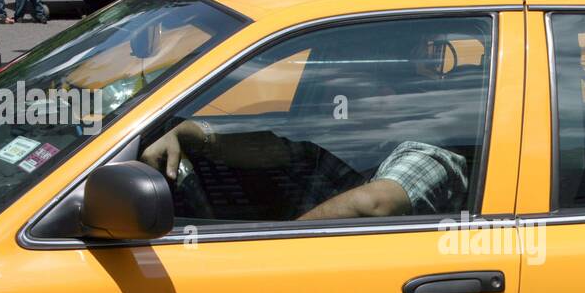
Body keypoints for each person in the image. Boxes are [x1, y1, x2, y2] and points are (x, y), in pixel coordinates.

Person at [140, 118, 468, 220]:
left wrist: (279, 244)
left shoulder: (432, 153)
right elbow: (276, 150)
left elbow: (374, 203)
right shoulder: (364, 139)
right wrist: (193, 136)